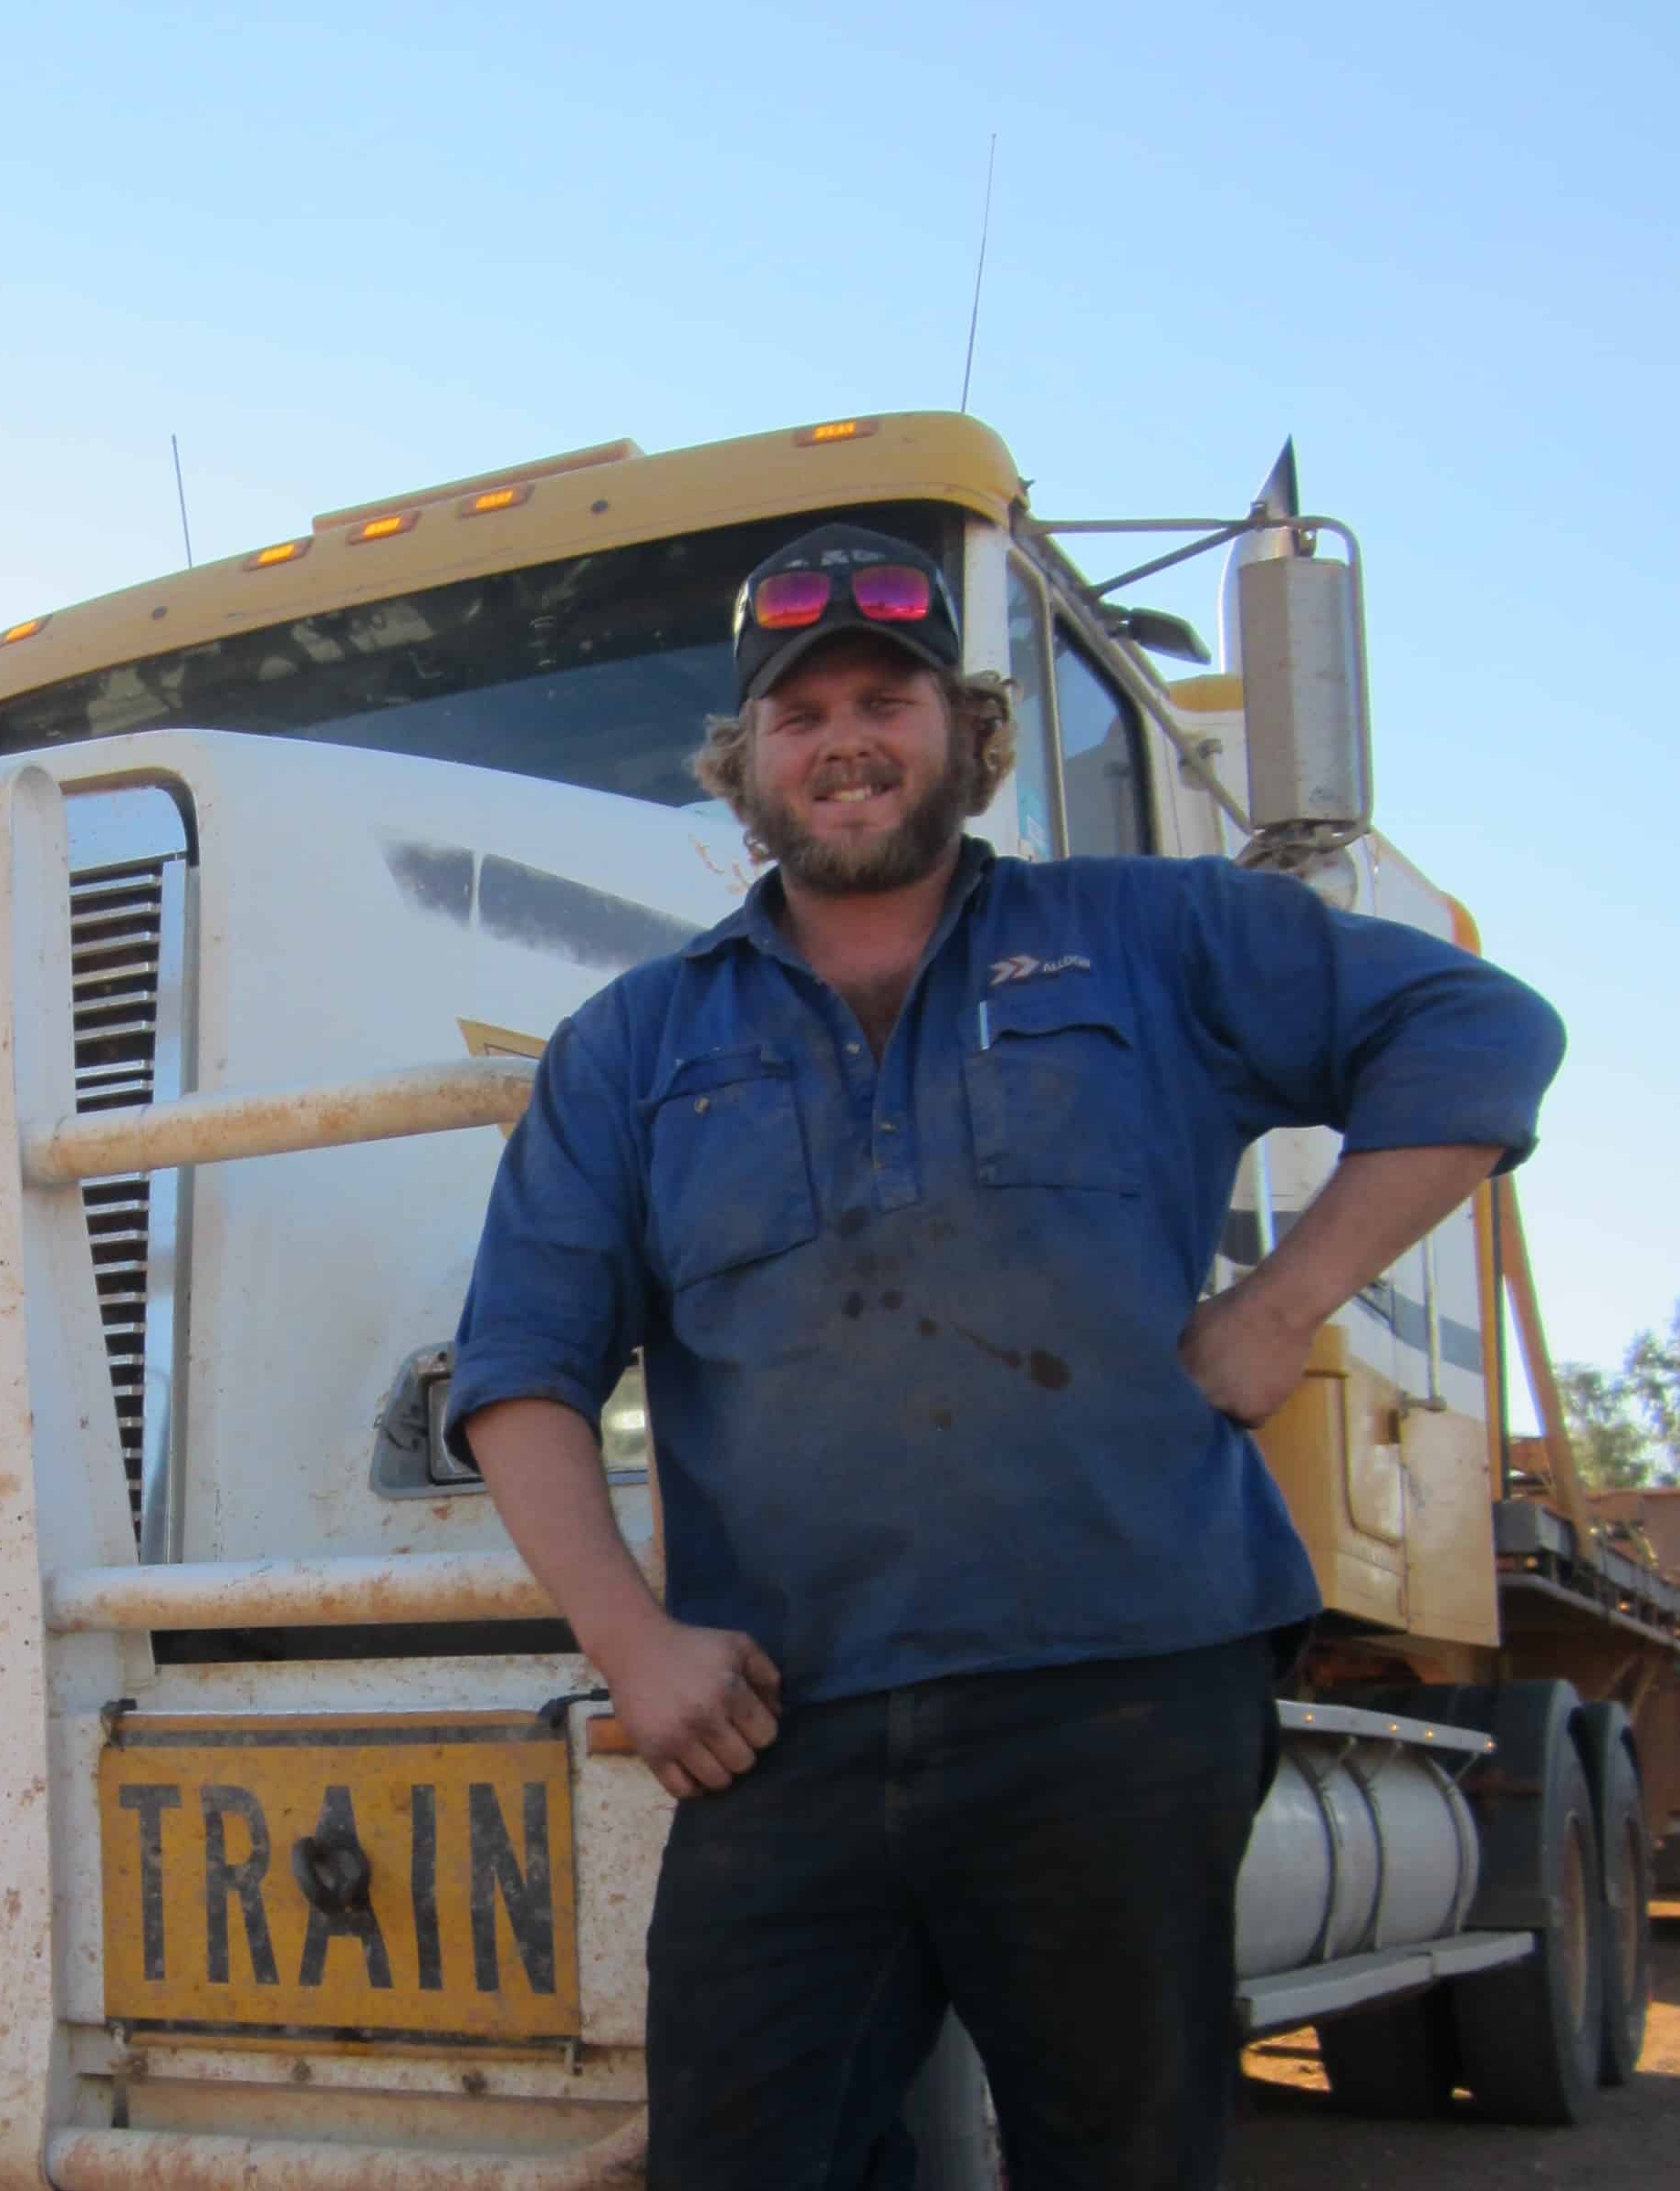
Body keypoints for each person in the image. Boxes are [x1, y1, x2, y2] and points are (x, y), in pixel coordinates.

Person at [444, 522, 1565, 2190]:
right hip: (781, 1723)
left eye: (884, 698)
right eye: (799, 712)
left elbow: (1484, 1033)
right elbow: (519, 1365)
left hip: (1121, 1692)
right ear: (744, 767)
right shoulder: (639, 1041)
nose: (844, 740)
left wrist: (1278, 1306)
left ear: (963, 734)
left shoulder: (1158, 938)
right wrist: (633, 1643)